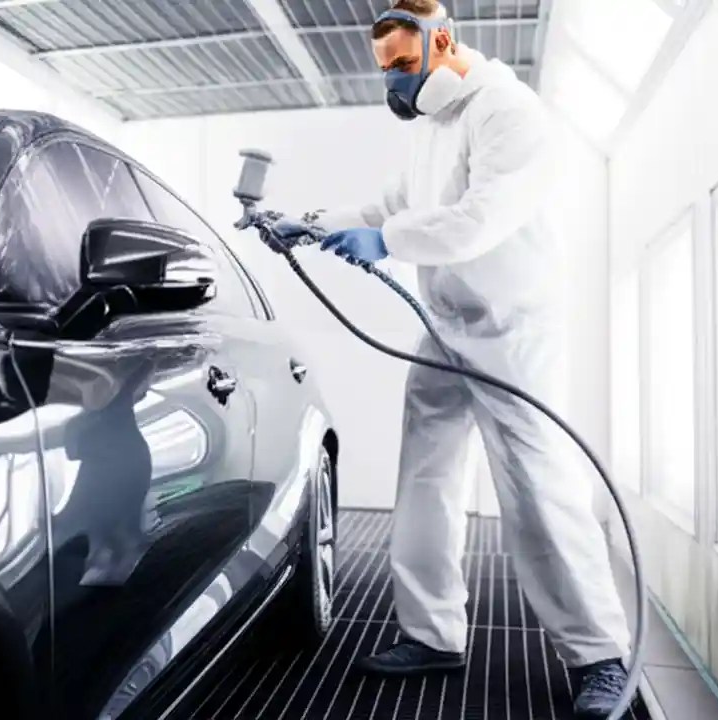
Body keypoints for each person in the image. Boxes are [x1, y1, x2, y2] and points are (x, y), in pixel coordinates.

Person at [277, 1, 631, 716]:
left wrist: (390, 242)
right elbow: (387, 207)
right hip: (443, 325)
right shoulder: (431, 130)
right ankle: (433, 633)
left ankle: (601, 655)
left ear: (442, 41)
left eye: (404, 67)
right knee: (427, 478)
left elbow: (480, 220)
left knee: (537, 491)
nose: (395, 88)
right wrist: (309, 224)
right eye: (386, 72)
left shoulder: (509, 111)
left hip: (512, 331)